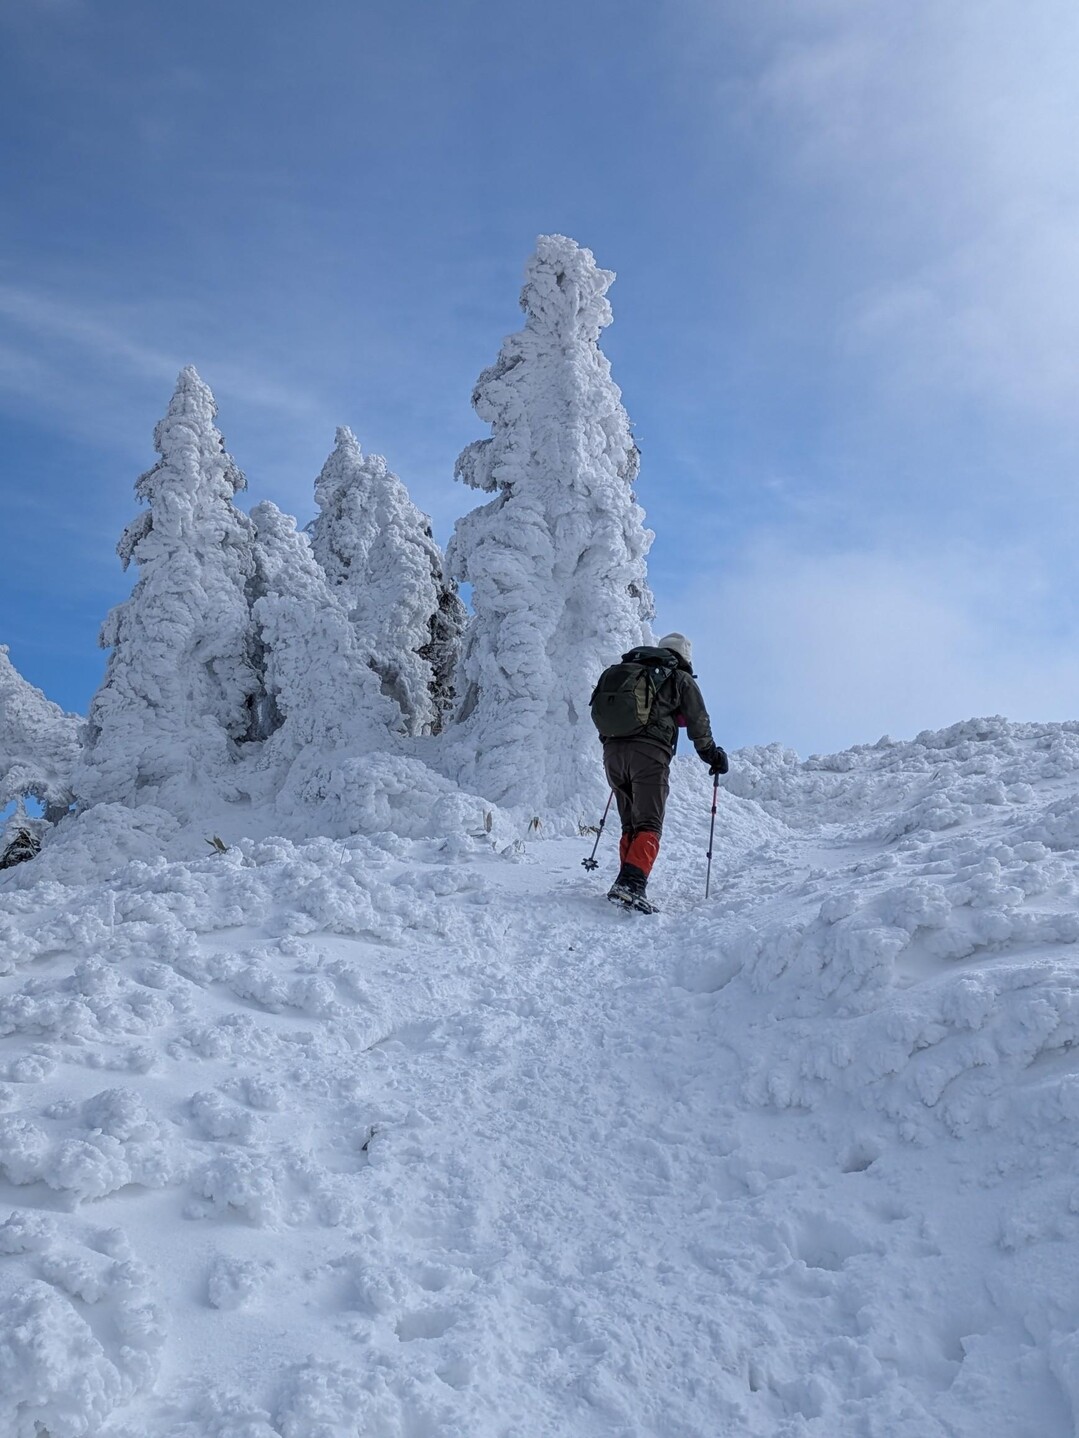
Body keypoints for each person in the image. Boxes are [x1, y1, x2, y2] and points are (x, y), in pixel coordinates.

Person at [600, 632, 727, 909]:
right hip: (649, 755)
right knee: (649, 823)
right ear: (685, 658)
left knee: (630, 823)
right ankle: (631, 886)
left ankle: (625, 882)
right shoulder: (679, 678)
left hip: (612, 753)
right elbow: (698, 721)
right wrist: (711, 755)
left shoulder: (628, 672)